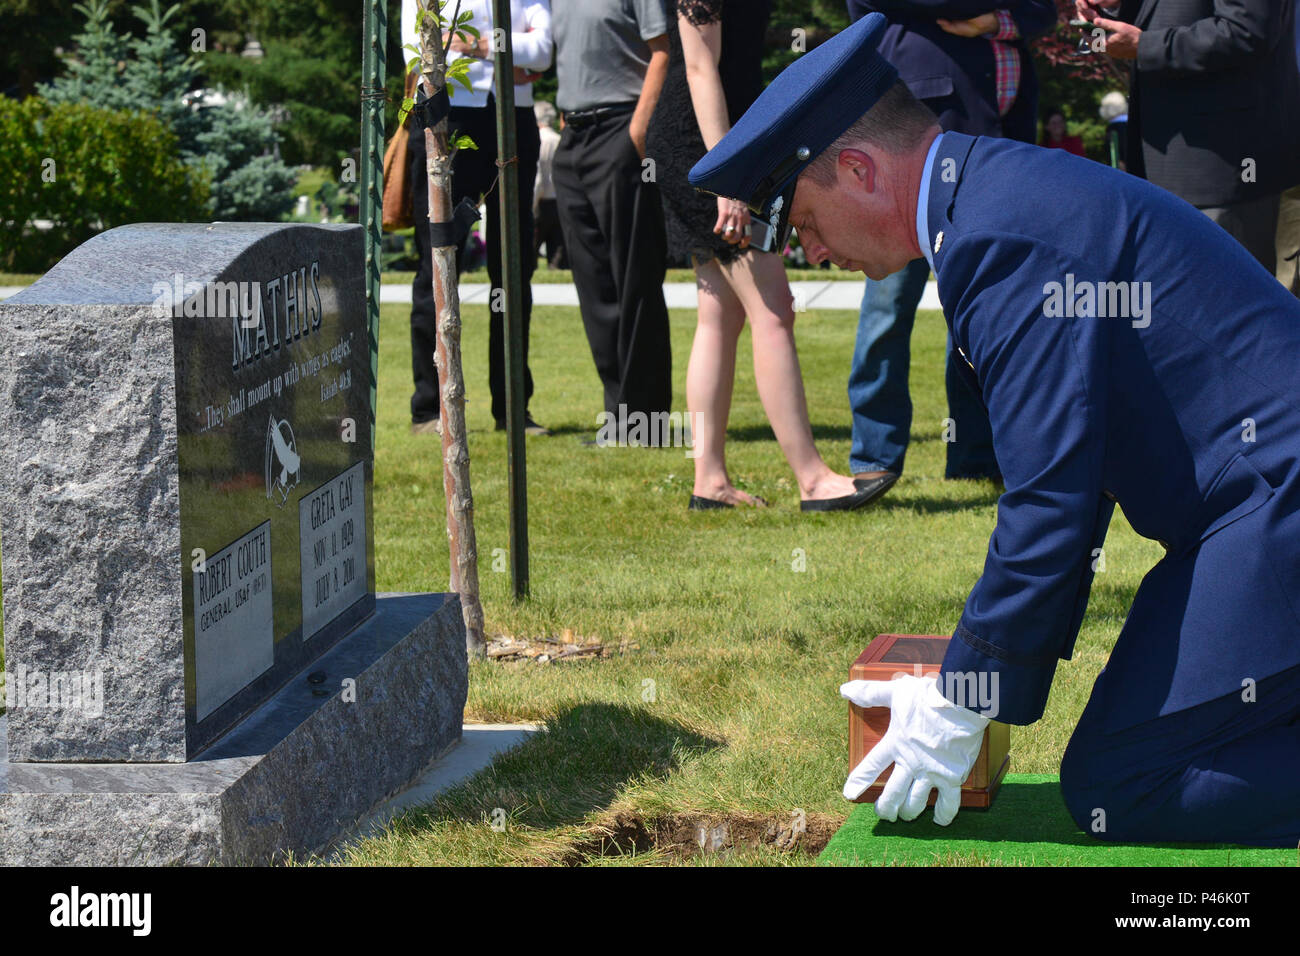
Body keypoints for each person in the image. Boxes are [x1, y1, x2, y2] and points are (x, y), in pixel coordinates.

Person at [691, 13, 1300, 845]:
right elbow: (1074, 486)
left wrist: (960, 699)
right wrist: (970, 678)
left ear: (860, 169)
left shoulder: (1001, 237)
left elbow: (1050, 500)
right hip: (1255, 504)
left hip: (1277, 504)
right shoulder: (990, 205)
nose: (812, 252)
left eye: (801, 223)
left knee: (1122, 785)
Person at [645, 0, 881, 512]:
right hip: (705, 147)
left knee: (719, 312)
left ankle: (709, 480)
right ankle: (813, 479)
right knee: (772, 307)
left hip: (724, 141)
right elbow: (700, 66)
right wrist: (726, 175)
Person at [842, 0, 1057, 501]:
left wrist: (999, 22)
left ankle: (974, 457)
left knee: (978, 309)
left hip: (996, 133)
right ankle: (875, 457)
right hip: (917, 130)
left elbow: (1044, 10)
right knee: (889, 304)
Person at [402, 0, 553, 438]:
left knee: (512, 268)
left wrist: (478, 45)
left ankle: (512, 408)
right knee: (435, 263)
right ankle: (429, 408)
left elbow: (542, 50)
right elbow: (421, 48)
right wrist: (504, 52)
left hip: (513, 116)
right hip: (446, 116)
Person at [1078, 0, 1300, 273]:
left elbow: (1247, 31)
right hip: (1158, 162)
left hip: (1223, 168)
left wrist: (1145, 46)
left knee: (1229, 299)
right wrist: (1109, 11)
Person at [551, 0, 674, 442]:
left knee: (634, 277)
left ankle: (648, 422)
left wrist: (638, 129)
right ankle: (619, 417)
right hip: (574, 137)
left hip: (621, 129)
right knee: (594, 283)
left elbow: (663, 50)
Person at [533, 100, 566, 270]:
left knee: (531, 248)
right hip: (560, 200)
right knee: (557, 253)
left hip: (541, 201)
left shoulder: (539, 140)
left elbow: (538, 176)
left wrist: (532, 205)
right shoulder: (560, 139)